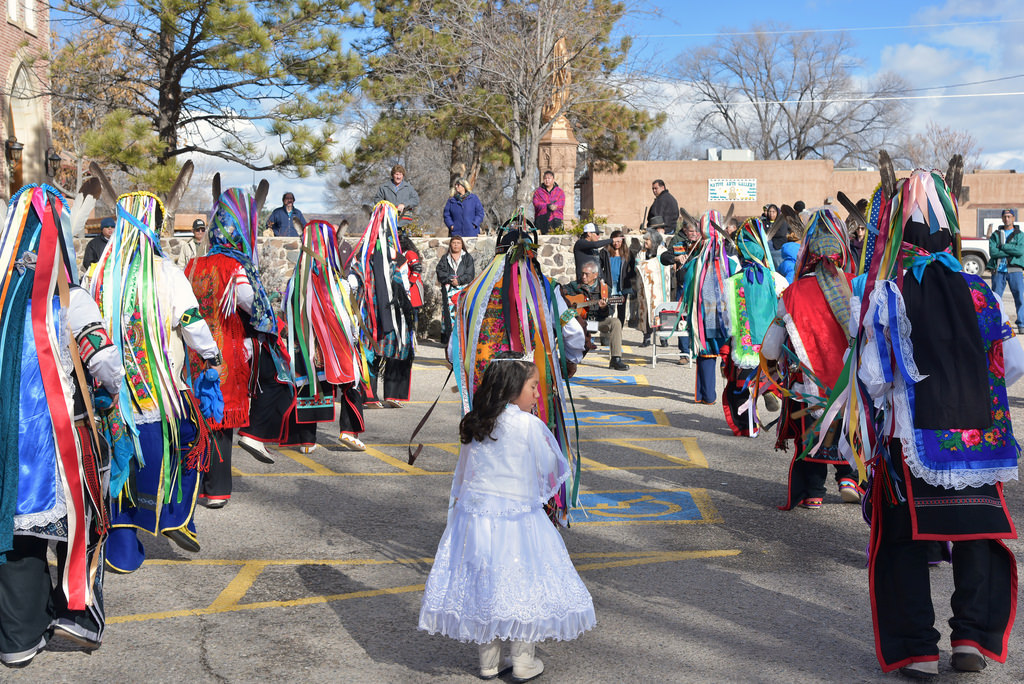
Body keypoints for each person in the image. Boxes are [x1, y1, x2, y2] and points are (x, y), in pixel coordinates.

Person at [847, 167, 1023, 678]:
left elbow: (876, 377)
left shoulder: (886, 293)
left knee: (905, 542)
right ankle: (971, 641)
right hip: (979, 439)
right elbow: (1011, 361)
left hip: (914, 441)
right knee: (977, 536)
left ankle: (919, 650)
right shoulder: (982, 291)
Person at [0, 185, 126, 666]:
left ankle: (17, 636)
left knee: (15, 531)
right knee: (82, 524)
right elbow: (105, 363)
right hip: (56, 439)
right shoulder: (71, 300)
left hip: (5, 437)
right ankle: (76, 614)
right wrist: (113, 391)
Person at [418, 357, 596, 681]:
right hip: (518, 521)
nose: (538, 394)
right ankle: (523, 660)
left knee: (484, 583)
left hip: (475, 520)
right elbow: (551, 468)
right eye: (533, 387)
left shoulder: (475, 424)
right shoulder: (529, 425)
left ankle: (488, 662)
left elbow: (464, 475)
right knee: (522, 582)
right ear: (513, 389)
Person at [90, 190, 222, 573]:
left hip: (111, 396)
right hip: (158, 394)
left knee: (119, 465)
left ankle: (122, 552)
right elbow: (191, 322)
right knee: (189, 439)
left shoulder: (98, 274)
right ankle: (176, 516)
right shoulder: (167, 273)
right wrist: (210, 353)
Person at [759, 209, 861, 509]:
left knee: (812, 435)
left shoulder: (794, 292)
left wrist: (771, 365)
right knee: (849, 429)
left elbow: (771, 348)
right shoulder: (855, 285)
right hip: (851, 383)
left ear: (809, 252)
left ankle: (813, 492)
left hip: (809, 385)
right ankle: (848, 479)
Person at [186, 177, 278, 508]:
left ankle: (197, 486)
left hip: (193, 352)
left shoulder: (193, 265)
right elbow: (253, 306)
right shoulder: (235, 267)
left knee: (199, 417)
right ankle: (217, 489)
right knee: (220, 419)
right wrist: (272, 324)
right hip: (226, 351)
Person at [720, 218, 787, 437]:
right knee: (770, 375)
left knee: (739, 387)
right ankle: (769, 390)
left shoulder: (733, 282)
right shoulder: (775, 278)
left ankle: (749, 427)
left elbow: (726, 318)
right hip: (771, 345)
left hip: (745, 346)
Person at [349, 202, 416, 408]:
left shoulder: (393, 255)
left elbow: (404, 281)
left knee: (394, 346)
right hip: (371, 309)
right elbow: (354, 279)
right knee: (371, 347)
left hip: (392, 309)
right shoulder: (364, 255)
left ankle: (388, 394)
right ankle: (370, 395)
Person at [683, 210, 738, 403]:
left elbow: (687, 289)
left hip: (703, 319)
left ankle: (707, 395)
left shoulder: (695, 266)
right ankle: (735, 393)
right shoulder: (731, 264)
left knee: (706, 354)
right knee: (729, 353)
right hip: (727, 318)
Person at [564, 262, 629, 371]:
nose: (583, 276)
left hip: (597, 321)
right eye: (582, 274)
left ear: (595, 275)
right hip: (580, 321)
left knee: (615, 322)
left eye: (587, 274)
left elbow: (610, 311)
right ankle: (566, 359)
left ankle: (615, 359)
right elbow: (561, 292)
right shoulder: (575, 286)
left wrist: (604, 308)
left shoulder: (605, 290)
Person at [987, 208, 1024, 334]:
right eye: (1005, 216)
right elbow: (993, 252)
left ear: (1013, 218)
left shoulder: (1020, 234)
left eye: (1009, 216)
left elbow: (1020, 251)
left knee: (1019, 298)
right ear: (1002, 218)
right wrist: (1010, 250)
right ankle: (995, 324)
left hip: (1015, 270)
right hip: (998, 270)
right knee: (995, 298)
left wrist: (1002, 246)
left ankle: (1021, 324)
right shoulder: (996, 235)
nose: (1007, 219)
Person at [436, 235, 476, 344]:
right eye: (454, 243)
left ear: (462, 245)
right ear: (450, 245)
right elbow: (440, 271)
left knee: (462, 312)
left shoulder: (467, 258)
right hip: (449, 290)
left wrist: (459, 280)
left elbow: (470, 274)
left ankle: (462, 339)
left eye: (458, 243)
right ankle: (449, 339)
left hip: (463, 290)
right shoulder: (445, 258)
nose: (456, 245)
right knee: (449, 314)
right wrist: (450, 279)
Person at [599, 229, 633, 326]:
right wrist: (602, 279)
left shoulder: (627, 252)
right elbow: (599, 266)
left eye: (619, 241)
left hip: (622, 285)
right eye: (614, 241)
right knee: (610, 308)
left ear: (622, 241)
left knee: (621, 308)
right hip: (609, 285)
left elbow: (633, 267)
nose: (616, 243)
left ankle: (619, 329)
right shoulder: (605, 252)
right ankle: (608, 328)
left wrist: (628, 277)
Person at [531, 170, 565, 234]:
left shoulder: (560, 192)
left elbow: (561, 203)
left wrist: (555, 206)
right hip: (541, 220)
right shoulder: (538, 192)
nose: (547, 180)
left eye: (549, 178)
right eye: (545, 178)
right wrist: (547, 206)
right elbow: (536, 203)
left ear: (553, 179)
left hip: (556, 220)